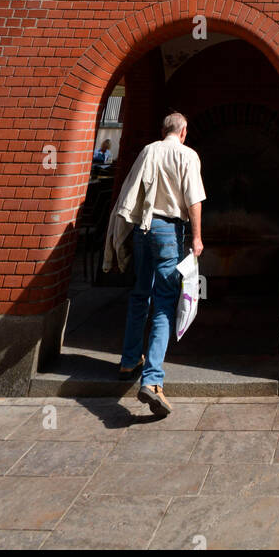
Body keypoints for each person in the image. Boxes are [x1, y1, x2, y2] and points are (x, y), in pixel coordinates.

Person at [113, 112, 205, 418]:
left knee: (141, 293)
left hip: (143, 228)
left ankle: (128, 361)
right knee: (165, 302)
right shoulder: (187, 155)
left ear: (163, 129)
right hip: (169, 230)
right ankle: (152, 381)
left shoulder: (149, 150)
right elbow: (194, 200)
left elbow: (131, 189)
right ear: (183, 132)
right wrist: (197, 237)